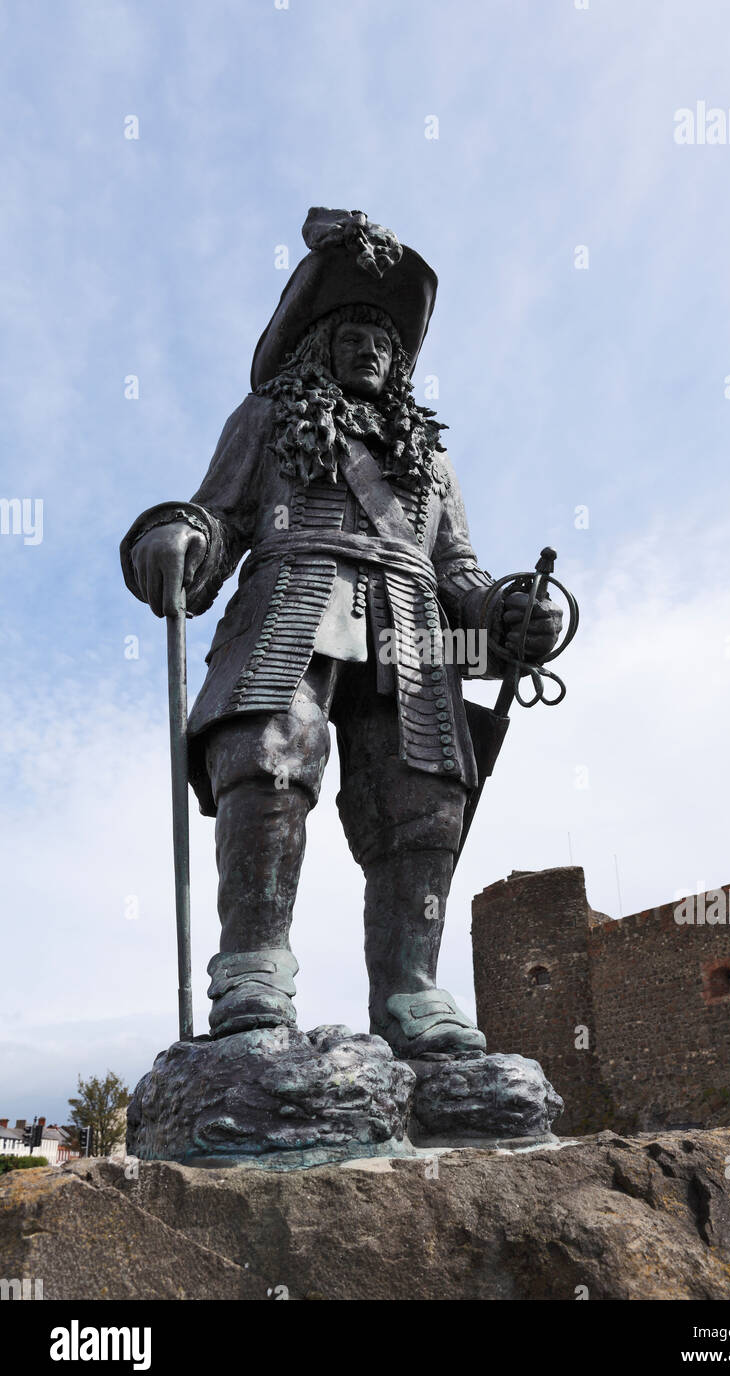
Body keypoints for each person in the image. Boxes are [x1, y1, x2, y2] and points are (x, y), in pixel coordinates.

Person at [120, 207, 561, 1059]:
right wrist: (173, 540)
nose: (371, 348)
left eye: (385, 341)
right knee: (268, 760)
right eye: (353, 332)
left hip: (413, 623)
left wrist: (511, 609)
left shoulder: (431, 463)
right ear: (318, 344)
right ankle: (253, 968)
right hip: (293, 600)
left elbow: (459, 569)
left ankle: (410, 990)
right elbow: (215, 517)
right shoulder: (264, 420)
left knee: (423, 803)